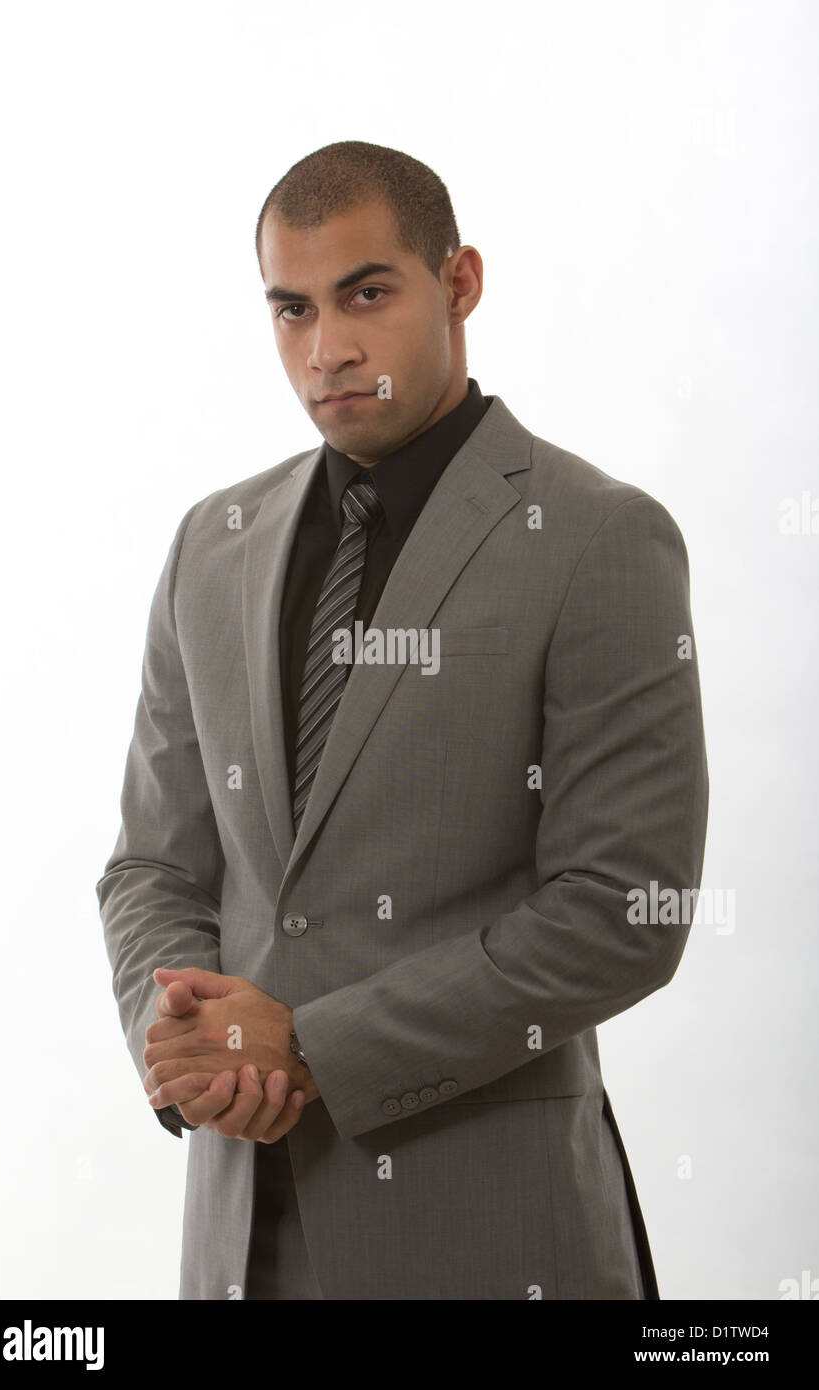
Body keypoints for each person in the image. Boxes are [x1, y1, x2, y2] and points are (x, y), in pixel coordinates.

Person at [97, 139, 709, 1300]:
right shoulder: (209, 545)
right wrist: (183, 1037)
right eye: (290, 309)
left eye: (365, 294)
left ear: (458, 282)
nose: (326, 348)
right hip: (239, 1233)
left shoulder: (595, 538)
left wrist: (315, 1050)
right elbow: (151, 861)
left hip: (488, 1234)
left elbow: (623, 908)